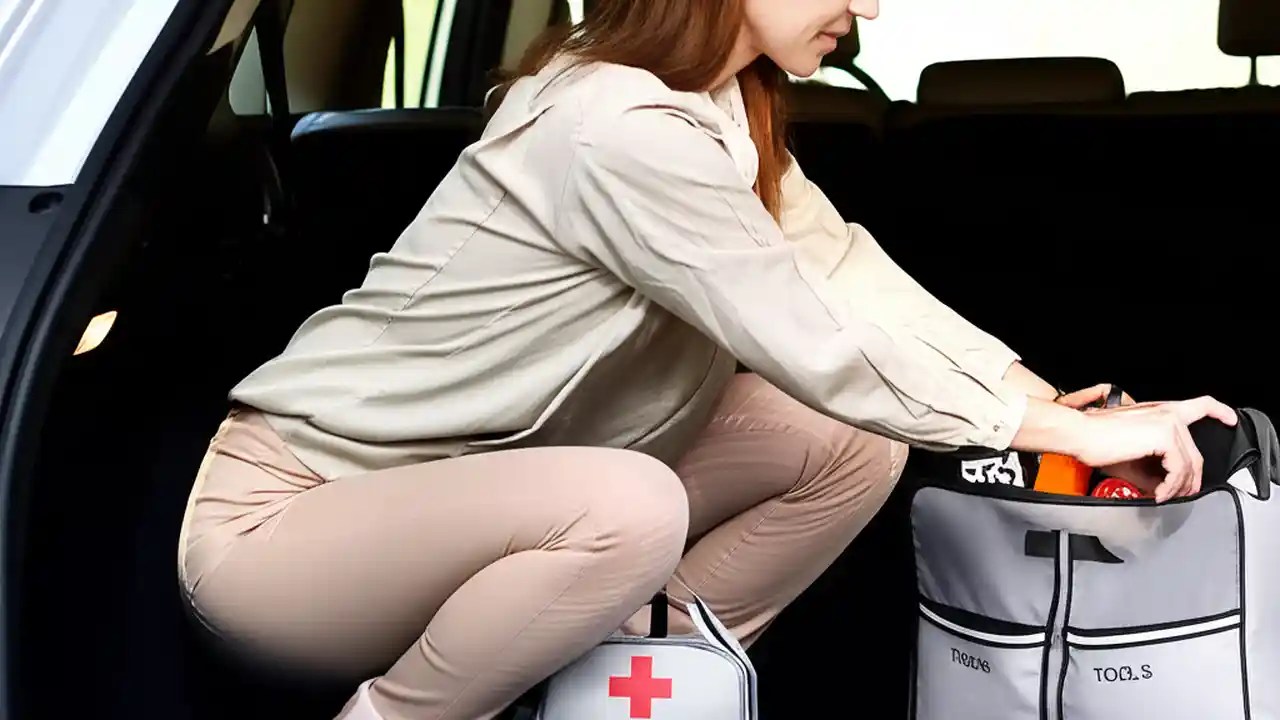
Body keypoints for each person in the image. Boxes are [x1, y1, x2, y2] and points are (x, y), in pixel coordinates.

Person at [176, 1, 1238, 718]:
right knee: (631, 504)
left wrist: (1044, 403)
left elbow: (846, 281)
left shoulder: (723, 112)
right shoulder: (610, 124)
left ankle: (623, 680)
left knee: (846, 445)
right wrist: (1062, 432)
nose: (869, 8)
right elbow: (806, 335)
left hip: (489, 499)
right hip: (294, 525)